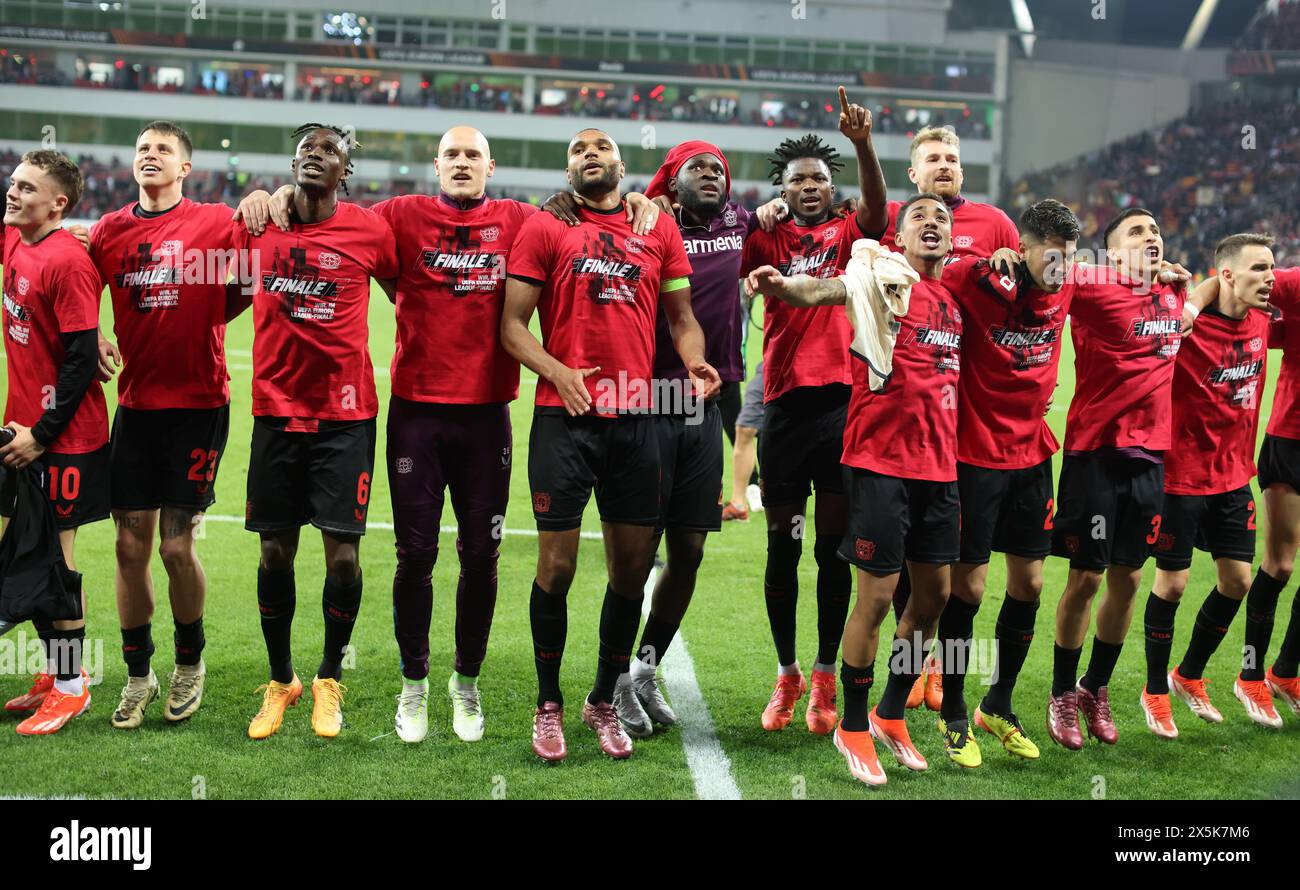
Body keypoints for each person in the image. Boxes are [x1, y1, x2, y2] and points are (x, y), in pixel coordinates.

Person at [501, 128, 719, 762]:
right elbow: (511, 326)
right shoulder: (546, 226)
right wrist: (558, 372)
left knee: (629, 571)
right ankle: (549, 705)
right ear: (568, 168)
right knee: (557, 568)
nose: (589, 153)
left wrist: (697, 362)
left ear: (622, 163)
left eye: (600, 146)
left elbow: (681, 320)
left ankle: (602, 698)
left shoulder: (657, 227)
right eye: (576, 149)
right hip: (563, 418)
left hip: (638, 420)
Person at [746, 192, 957, 785]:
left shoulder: (956, 296)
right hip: (879, 464)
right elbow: (820, 290)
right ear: (900, 233)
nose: (932, 223)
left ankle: (892, 711)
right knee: (876, 596)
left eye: (941, 217)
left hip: (939, 470)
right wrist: (783, 286)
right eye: (919, 217)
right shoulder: (877, 279)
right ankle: (855, 723)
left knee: (934, 597)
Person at [231, 123, 397, 740]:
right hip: (275, 412)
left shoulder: (371, 230)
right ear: (292, 164)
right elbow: (210, 295)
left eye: (330, 151)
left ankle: (329, 676)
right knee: (274, 551)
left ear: (345, 173)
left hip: (346, 417)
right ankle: (282, 680)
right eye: (305, 149)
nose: (315, 156)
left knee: (344, 557)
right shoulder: (258, 223)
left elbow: (411, 295)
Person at [738, 87, 889, 736]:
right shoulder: (764, 236)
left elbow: (880, 212)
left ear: (833, 188)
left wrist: (861, 145)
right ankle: (787, 672)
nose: (808, 186)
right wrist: (754, 216)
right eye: (797, 179)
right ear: (783, 186)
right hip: (783, 410)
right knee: (782, 549)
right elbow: (723, 244)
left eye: (819, 179)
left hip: (842, 407)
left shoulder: (848, 232)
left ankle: (825, 676)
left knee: (830, 554)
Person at [89, 121, 237, 729]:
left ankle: (189, 664)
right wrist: (92, 330)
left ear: (185, 169)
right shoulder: (110, 230)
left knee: (177, 546)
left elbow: (250, 281)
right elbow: (77, 283)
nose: (150, 156)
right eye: (143, 148)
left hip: (200, 407)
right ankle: (137, 675)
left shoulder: (216, 223)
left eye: (163, 151)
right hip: (137, 408)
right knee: (129, 546)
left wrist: (210, 315)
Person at [1044, 208, 1190, 750]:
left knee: (1128, 580)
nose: (1151, 237)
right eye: (1136, 232)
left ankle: (1094, 688)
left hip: (1152, 458)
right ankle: (1060, 692)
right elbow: (1048, 267)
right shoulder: (1092, 281)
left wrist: (1181, 283)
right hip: (1096, 452)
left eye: (1155, 231)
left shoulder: (1175, 289)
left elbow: (1202, 299)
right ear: (1111, 250)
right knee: (1084, 578)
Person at [1142, 232, 1282, 736]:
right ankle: (1155, 688)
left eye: (1272, 269)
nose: (1270, 279)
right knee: (1173, 585)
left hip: (1232, 477)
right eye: (1258, 270)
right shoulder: (1185, 323)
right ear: (1226, 275)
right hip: (1180, 475)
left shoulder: (1266, 318)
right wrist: (1192, 298)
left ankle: (1189, 674)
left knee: (1237, 581)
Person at [1, 150, 109, 735]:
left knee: (57, 567)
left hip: (64, 440)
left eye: (26, 187)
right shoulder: (19, 240)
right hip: (24, 432)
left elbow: (78, 363)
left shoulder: (66, 262)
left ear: (58, 203)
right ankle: (55, 671)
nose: (12, 193)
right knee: (39, 557)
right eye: (12, 183)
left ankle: (71, 686)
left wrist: (41, 437)